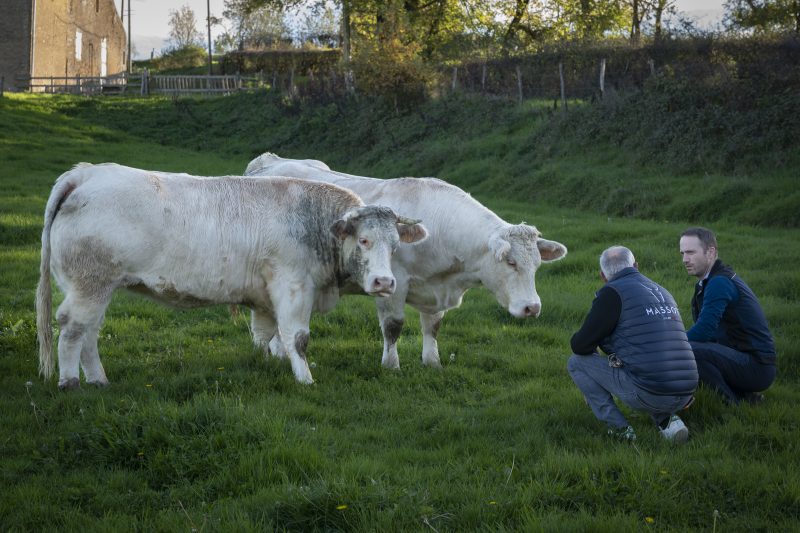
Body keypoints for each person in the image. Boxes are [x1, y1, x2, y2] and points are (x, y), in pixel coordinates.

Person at [567, 246, 698, 442]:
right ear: (636, 266)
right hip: (687, 389)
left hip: (652, 392)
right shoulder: (661, 290)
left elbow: (580, 345)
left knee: (576, 362)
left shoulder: (612, 293)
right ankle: (668, 422)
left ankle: (619, 430)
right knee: (644, 360)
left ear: (603, 276)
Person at [679, 227, 776, 404]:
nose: (685, 259)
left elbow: (704, 331)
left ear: (710, 252)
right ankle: (746, 398)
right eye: (683, 253)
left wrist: (670, 346)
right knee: (694, 351)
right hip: (741, 359)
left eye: (691, 252)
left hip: (756, 366)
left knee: (688, 350)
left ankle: (730, 403)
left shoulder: (719, 283)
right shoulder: (708, 282)